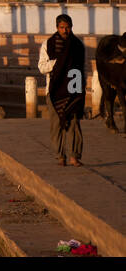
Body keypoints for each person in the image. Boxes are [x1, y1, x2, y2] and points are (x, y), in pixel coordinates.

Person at [38, 14, 85, 166]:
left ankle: (74, 156)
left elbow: (80, 69)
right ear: (57, 28)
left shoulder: (77, 45)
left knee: (74, 124)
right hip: (54, 91)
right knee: (56, 125)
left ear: (71, 27)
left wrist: (79, 92)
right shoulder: (48, 44)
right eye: (62, 27)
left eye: (67, 27)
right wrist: (57, 64)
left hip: (73, 90)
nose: (65, 30)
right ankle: (60, 156)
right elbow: (42, 67)